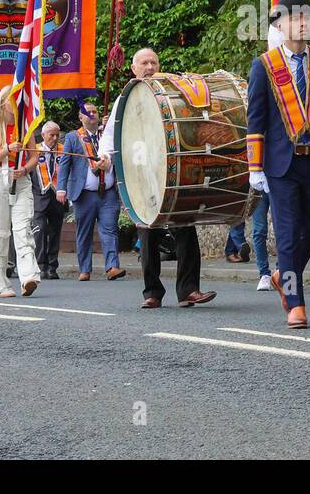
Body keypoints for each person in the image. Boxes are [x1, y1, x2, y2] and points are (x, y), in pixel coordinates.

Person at [247, 0, 310, 329]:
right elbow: (255, 118)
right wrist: (254, 167)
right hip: (280, 164)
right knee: (286, 234)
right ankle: (295, 302)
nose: (302, 22)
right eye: (295, 17)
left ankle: (281, 275)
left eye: (306, 17)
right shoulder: (265, 65)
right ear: (280, 25)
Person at [102, 48, 215, 309]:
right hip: (141, 175)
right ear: (133, 68)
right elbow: (110, 137)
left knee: (185, 227)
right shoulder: (124, 100)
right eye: (144, 62)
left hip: (172, 172)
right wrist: (106, 157)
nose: (150, 67)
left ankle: (189, 290)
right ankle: (152, 292)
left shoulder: (171, 92)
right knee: (148, 234)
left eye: (154, 62)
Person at [0, 85, 41, 298]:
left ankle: (29, 276)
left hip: (21, 179)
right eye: (13, 100)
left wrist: (25, 169)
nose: (17, 104)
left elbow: (34, 155)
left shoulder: (26, 126)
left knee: (23, 228)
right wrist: (7, 148)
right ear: (4, 102)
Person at [61, 102, 124, 281]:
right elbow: (65, 164)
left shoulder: (108, 135)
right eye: (87, 113)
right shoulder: (73, 137)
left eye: (95, 111)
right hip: (84, 194)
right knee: (84, 231)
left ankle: (112, 267)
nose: (92, 115)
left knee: (109, 229)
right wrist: (61, 189)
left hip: (108, 192)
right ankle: (85, 269)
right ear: (80, 118)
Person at [32, 120, 69, 280]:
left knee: (55, 232)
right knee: (39, 231)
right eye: (51, 135)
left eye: (57, 135)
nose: (54, 138)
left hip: (58, 197)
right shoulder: (34, 150)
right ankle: (40, 265)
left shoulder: (64, 151)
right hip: (39, 196)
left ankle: (52, 266)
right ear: (43, 135)